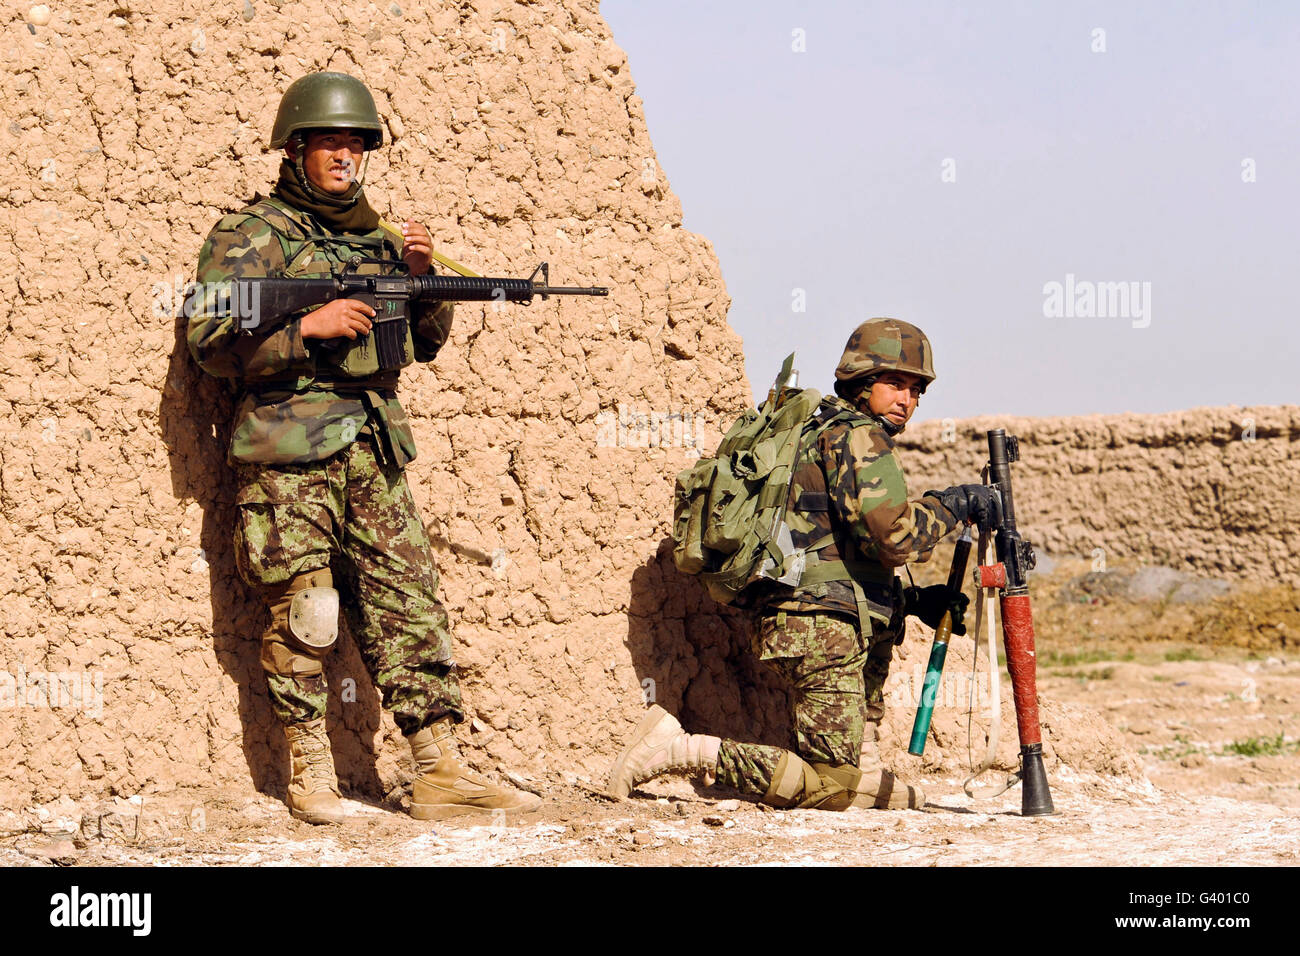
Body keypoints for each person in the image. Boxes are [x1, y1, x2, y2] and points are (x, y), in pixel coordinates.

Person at [188, 72, 539, 824]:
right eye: (330, 143)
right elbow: (207, 340)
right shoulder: (251, 235)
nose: (345, 156)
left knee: (409, 605)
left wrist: (421, 283)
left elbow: (420, 344)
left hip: (373, 445)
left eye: (356, 143)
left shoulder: (380, 241)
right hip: (289, 449)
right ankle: (310, 770)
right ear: (296, 149)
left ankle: (438, 767)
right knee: (307, 610)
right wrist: (302, 332)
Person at [607, 318, 1001, 811]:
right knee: (833, 787)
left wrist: (914, 601)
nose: (907, 399)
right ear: (861, 383)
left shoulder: (822, 434)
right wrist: (954, 505)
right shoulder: (856, 438)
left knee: (874, 793)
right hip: (821, 629)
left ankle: (862, 775)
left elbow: (833, 557)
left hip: (826, 618)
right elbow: (894, 537)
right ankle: (680, 747)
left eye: (917, 390)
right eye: (894, 384)